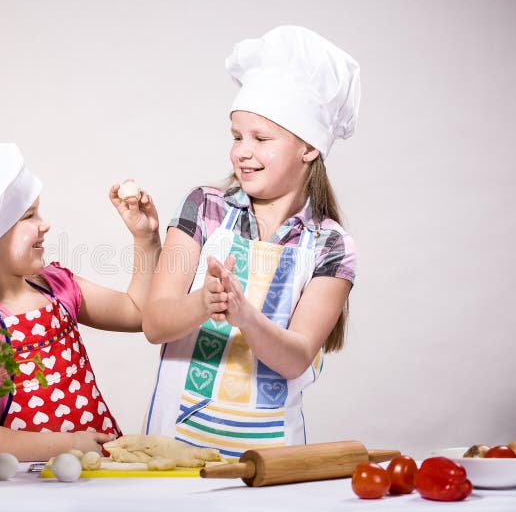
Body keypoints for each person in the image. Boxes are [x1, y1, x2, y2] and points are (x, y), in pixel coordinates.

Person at [142, 26, 360, 458]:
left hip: (269, 459)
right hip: (175, 449)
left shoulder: (331, 246)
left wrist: (244, 315)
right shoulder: (203, 208)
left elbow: (296, 357)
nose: (242, 151)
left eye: (261, 139)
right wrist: (205, 303)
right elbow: (156, 323)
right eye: (236, 136)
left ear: (310, 148)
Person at [0, 143, 161, 461]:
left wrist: (145, 238)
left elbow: (138, 313)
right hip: (32, 491)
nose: (44, 224)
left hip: (99, 476)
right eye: (28, 216)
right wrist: (69, 445)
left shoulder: (57, 286)